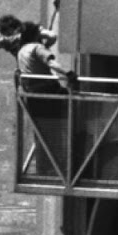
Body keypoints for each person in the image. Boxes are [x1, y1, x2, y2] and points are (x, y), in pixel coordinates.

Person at [16, 33, 78, 177]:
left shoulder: (22, 51)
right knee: (58, 128)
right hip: (47, 92)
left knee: (43, 133)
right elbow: (51, 61)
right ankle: (60, 165)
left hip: (33, 97)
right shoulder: (37, 47)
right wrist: (68, 73)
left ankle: (44, 168)